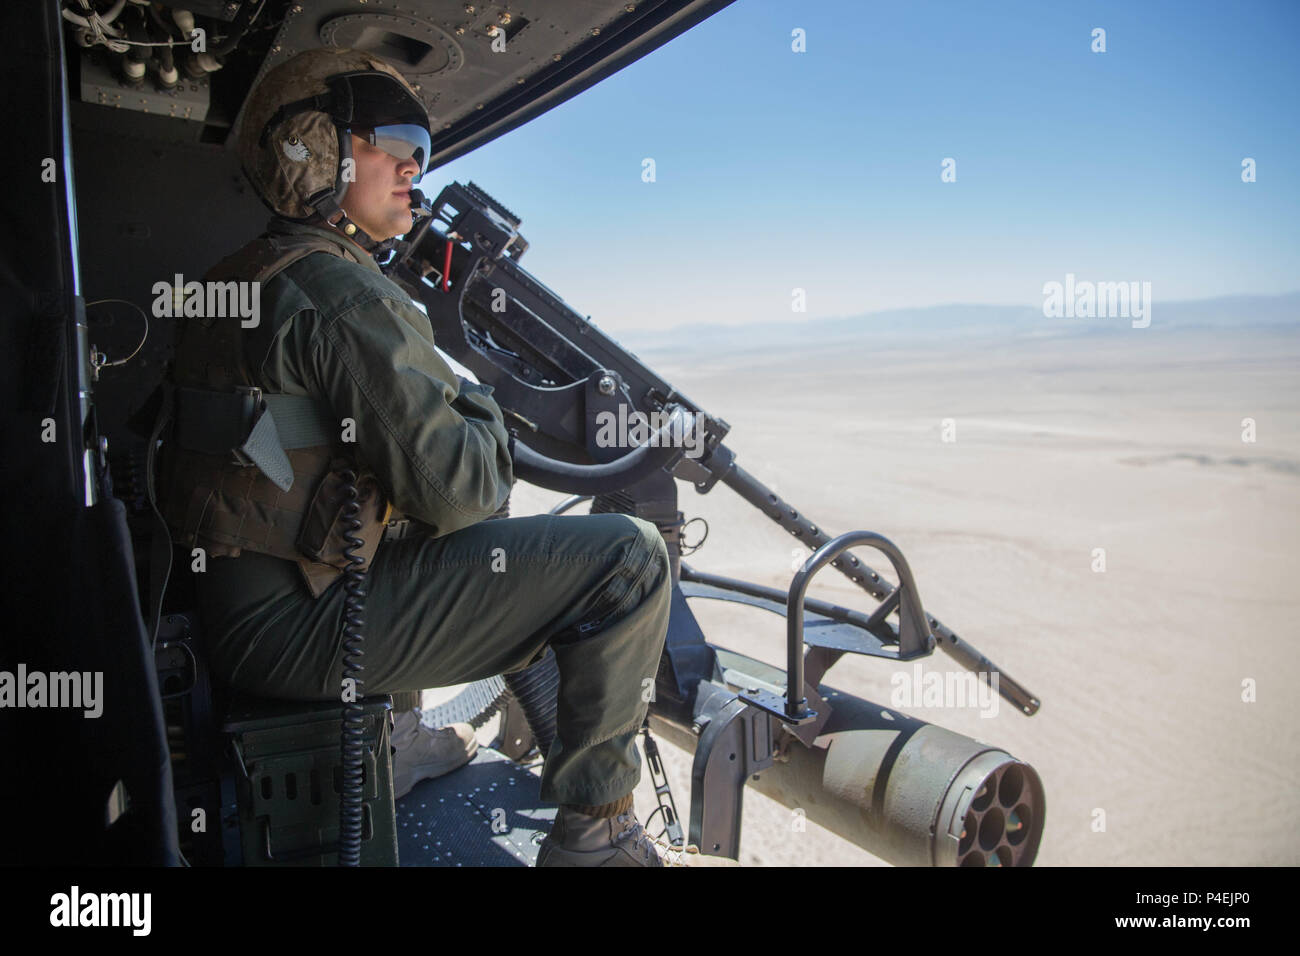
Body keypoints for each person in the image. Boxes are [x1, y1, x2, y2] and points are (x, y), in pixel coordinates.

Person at [157, 46, 726, 866]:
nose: (413, 169)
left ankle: (397, 732)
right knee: (628, 562)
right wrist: (482, 407)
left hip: (241, 612)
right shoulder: (340, 290)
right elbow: (460, 486)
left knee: (403, 513)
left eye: (422, 152)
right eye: (392, 143)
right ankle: (595, 835)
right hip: (296, 627)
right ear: (313, 151)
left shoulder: (245, 275)